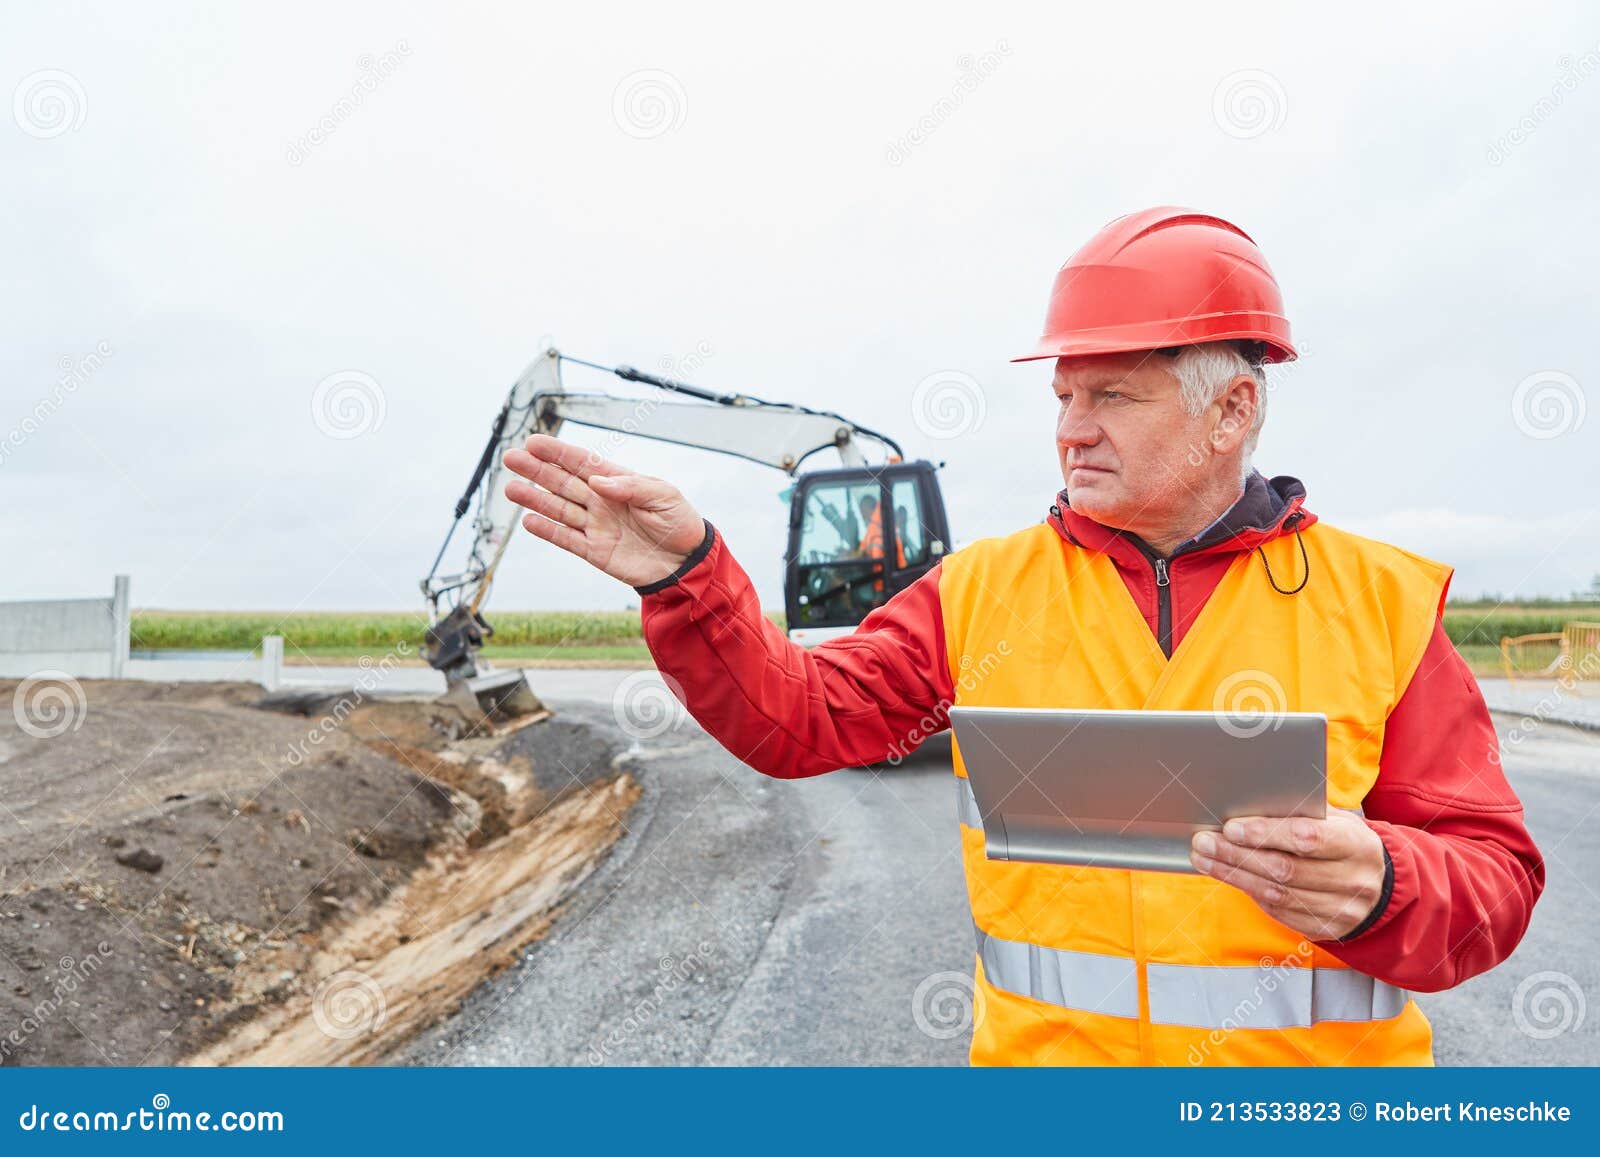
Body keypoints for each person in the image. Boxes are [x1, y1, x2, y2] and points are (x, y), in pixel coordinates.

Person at [500, 206, 1543, 1066]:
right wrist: (689, 578)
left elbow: (1493, 876)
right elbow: (800, 721)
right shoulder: (984, 590)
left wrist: (1388, 884)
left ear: (1230, 410)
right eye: (1062, 396)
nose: (1069, 428)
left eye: (1110, 396)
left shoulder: (1382, 604)